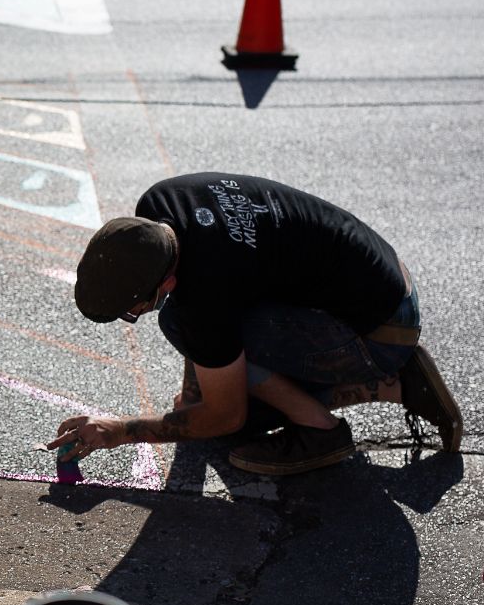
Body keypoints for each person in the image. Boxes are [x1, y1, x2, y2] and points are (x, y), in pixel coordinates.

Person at [51, 172, 462, 476]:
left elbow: (224, 415)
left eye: (132, 309)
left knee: (230, 413)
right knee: (208, 359)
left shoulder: (203, 292)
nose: (134, 316)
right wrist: (193, 403)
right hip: (386, 289)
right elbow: (209, 311)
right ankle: (401, 383)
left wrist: (117, 431)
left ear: (167, 281)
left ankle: (322, 431)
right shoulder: (161, 206)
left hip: (377, 331)